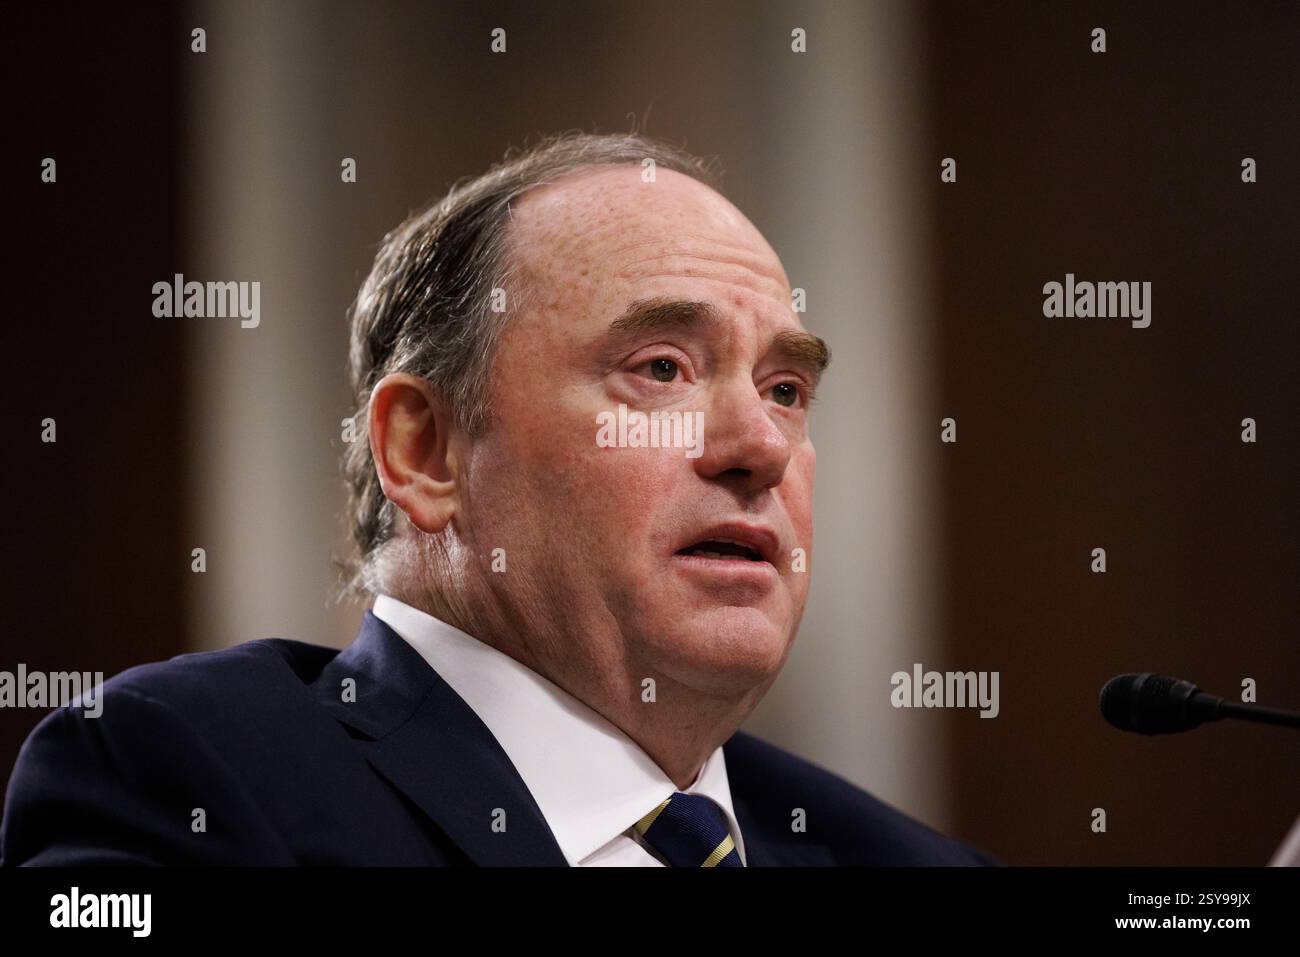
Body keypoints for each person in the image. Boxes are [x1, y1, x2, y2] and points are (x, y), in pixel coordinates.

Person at [1, 132, 996, 867]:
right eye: (660, 368)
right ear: (425, 451)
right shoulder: (188, 782)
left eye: (785, 391)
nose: (758, 449)